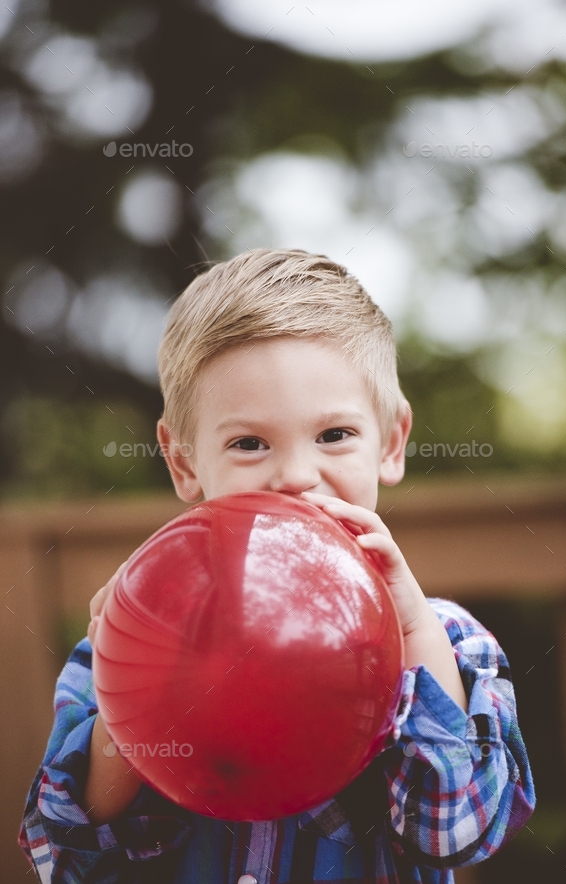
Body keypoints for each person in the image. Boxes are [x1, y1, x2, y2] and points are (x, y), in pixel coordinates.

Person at [19, 248, 535, 883]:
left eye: (334, 435)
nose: (296, 476)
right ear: (183, 463)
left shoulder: (451, 643)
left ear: (391, 442)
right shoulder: (124, 648)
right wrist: (135, 696)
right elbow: (64, 857)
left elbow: (456, 833)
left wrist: (411, 637)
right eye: (249, 443)